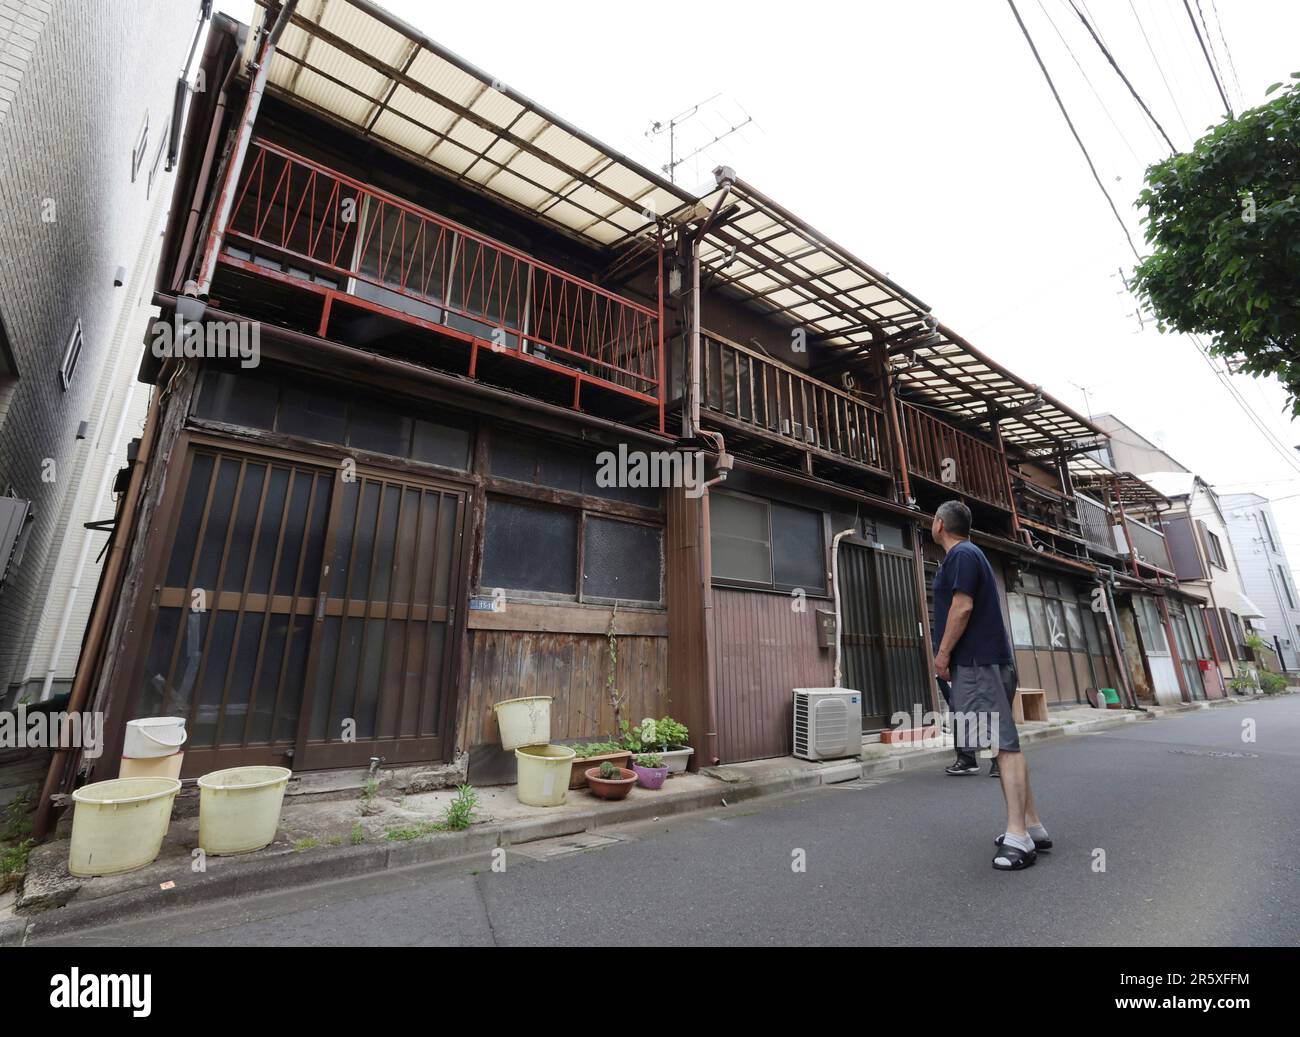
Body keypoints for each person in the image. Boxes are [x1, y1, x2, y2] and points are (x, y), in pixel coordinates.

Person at [930, 500, 1051, 871]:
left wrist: (943, 654)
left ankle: (1019, 838)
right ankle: (1033, 825)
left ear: (939, 525)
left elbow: (962, 607)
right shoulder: (972, 553)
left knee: (1003, 746)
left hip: (978, 663)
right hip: (988, 661)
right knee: (1003, 743)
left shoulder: (962, 554)